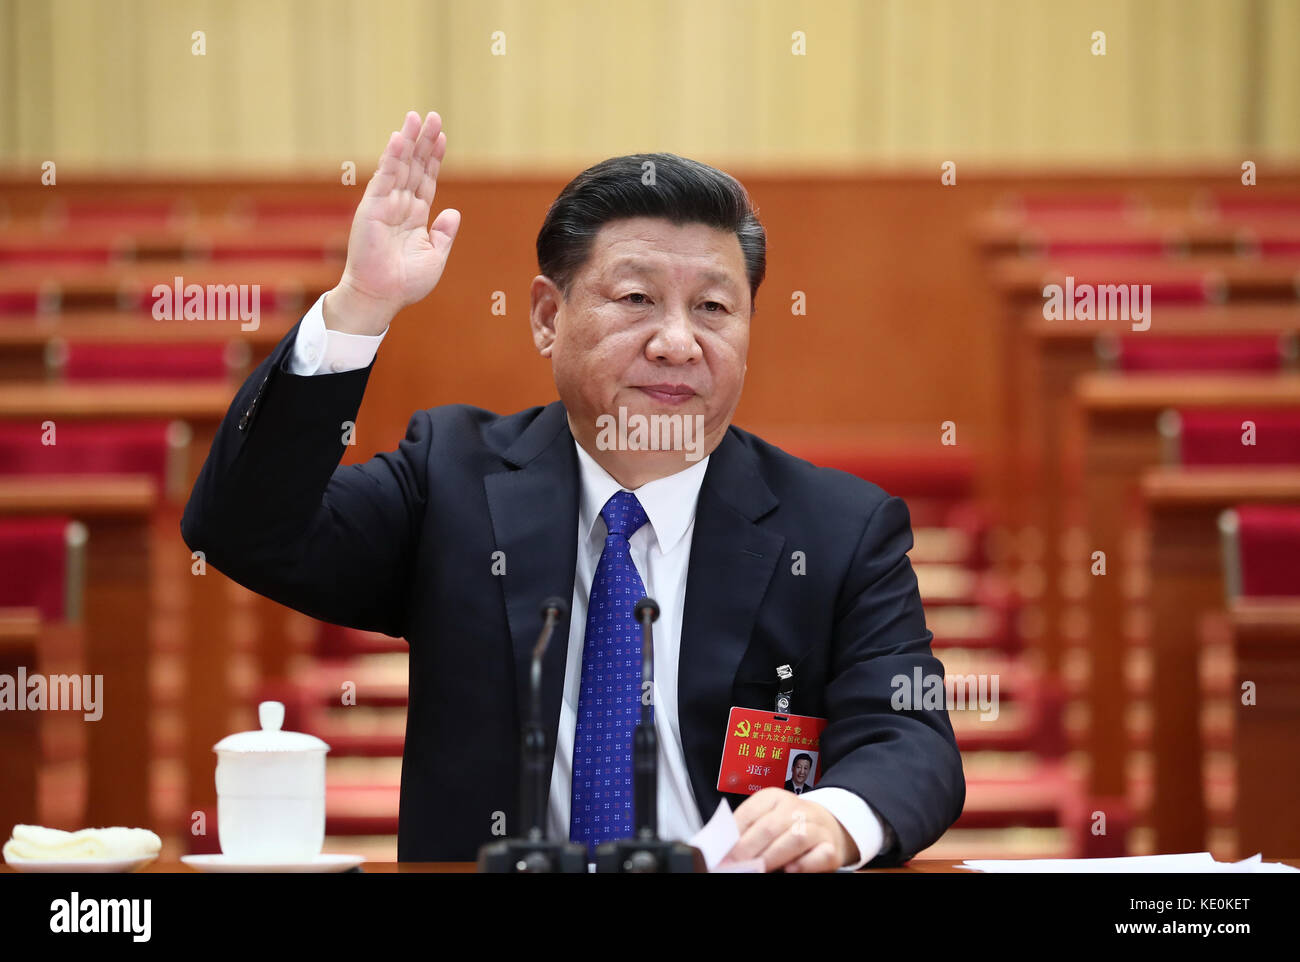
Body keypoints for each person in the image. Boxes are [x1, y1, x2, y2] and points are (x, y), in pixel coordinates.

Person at [182, 110, 964, 872]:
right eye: (636, 300)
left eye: (715, 308)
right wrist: (360, 306)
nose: (677, 342)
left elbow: (912, 736)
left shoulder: (838, 530)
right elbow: (245, 528)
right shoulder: (452, 479)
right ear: (548, 317)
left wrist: (832, 815)